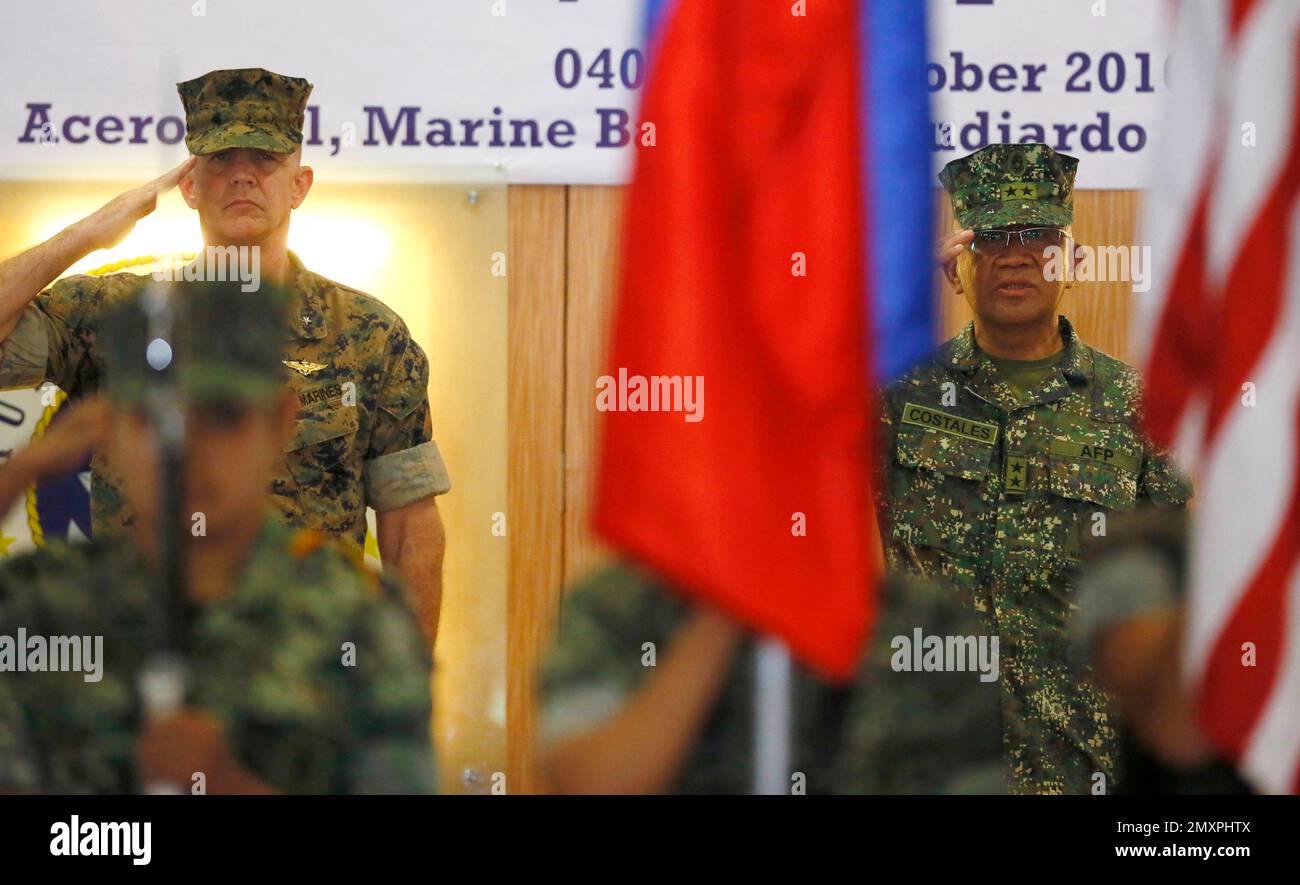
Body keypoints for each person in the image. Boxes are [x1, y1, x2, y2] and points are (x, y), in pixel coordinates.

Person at [0, 68, 449, 644]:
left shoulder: (368, 333)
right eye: (219, 160)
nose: (241, 175)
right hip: (145, 675)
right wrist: (88, 233)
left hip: (308, 681)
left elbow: (411, 527)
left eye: (264, 159)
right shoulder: (117, 314)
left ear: (300, 184)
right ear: (188, 186)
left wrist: (403, 694)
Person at [0, 280, 435, 794]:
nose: (184, 448)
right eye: (155, 417)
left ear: (277, 424)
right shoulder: (41, 603)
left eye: (222, 416)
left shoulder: (358, 619)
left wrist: (232, 784)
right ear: (110, 431)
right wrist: (20, 473)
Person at [879, 143, 1192, 794]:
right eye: (990, 239)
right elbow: (782, 413)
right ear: (955, 267)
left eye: (1038, 237)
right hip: (929, 759)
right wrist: (894, 290)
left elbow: (1175, 592)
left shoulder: (1137, 408)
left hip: (1081, 766)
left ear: (1071, 263)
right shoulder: (900, 395)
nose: (1015, 255)